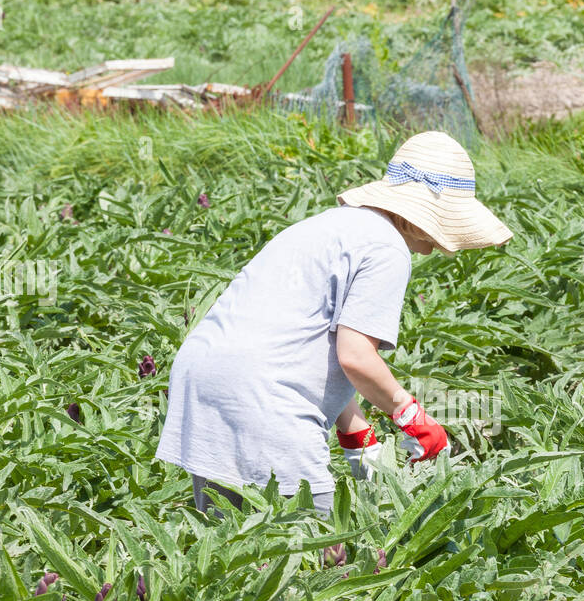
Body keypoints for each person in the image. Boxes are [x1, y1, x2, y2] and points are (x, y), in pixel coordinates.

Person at [155, 130, 513, 516]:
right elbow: (356, 357)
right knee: (316, 556)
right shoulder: (389, 249)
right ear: (419, 214)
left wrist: (353, 426)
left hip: (202, 381)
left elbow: (301, 335)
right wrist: (412, 416)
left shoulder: (325, 226)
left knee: (229, 551)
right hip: (266, 400)